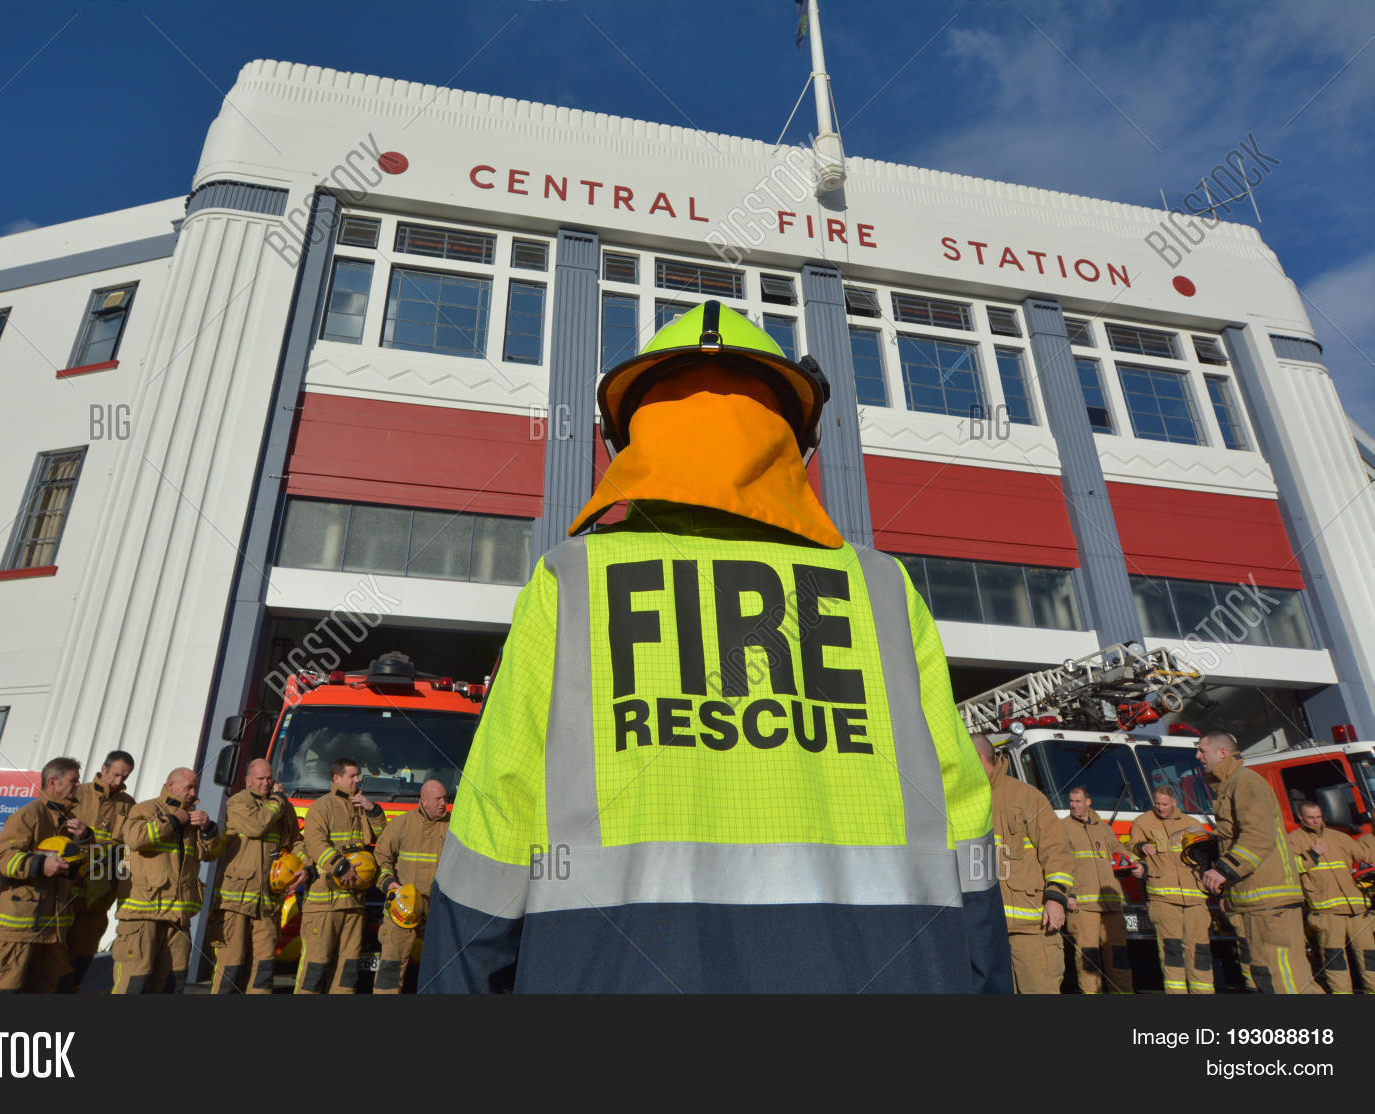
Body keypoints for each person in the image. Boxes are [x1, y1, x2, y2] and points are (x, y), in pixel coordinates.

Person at [420, 300, 1007, 993]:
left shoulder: (571, 583)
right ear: (794, 444)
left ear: (629, 444)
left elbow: (496, 826)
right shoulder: (882, 590)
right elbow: (964, 818)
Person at [1197, 732, 1318, 994]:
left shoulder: (1246, 782)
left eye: (1202, 750)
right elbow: (1238, 836)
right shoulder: (1231, 785)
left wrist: (1223, 870)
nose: (1198, 756)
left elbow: (1258, 835)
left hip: (1269, 901)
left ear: (1222, 753)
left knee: (1284, 979)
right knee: (1277, 977)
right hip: (1257, 902)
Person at [0, 757, 92, 994]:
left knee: (55, 988)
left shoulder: (69, 821)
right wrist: (40, 864)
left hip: (52, 933)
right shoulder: (28, 815)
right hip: (16, 931)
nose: (78, 785)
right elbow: (1, 858)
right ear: (53, 782)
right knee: (3, 990)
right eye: (74, 780)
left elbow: (80, 867)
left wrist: (85, 839)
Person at [972, 733, 1071, 993]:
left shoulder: (1026, 797)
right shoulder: (965, 801)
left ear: (978, 758)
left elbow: (1056, 849)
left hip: (1032, 930)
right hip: (986, 932)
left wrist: (1056, 897)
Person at [112, 767, 224, 993]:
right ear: (170, 785)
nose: (193, 793)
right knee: (134, 982)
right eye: (188, 787)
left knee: (173, 982)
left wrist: (208, 829)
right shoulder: (145, 809)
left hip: (178, 919)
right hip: (142, 916)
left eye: (195, 788)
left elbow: (211, 854)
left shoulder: (193, 817)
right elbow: (135, 838)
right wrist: (172, 821)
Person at [209, 759, 308, 993]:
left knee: (263, 968)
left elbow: (295, 842)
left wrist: (303, 865)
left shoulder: (282, 806)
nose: (266, 783)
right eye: (260, 779)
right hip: (235, 903)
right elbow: (256, 826)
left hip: (268, 903)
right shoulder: (238, 802)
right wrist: (279, 800)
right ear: (248, 781)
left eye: (269, 778)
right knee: (231, 965)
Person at [296, 757, 384, 994]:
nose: (357, 780)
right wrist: (341, 867)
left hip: (353, 904)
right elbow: (315, 844)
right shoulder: (321, 807)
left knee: (347, 972)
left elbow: (382, 837)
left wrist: (372, 810)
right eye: (352, 776)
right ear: (336, 778)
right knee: (314, 970)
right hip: (323, 903)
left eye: (358, 776)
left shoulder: (361, 807)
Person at [1129, 785, 1213, 993]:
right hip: (1163, 898)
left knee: (1201, 951)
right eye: (1157, 803)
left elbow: (1205, 856)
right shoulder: (1142, 822)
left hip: (1195, 899)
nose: (1160, 808)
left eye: (1164, 804)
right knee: (1172, 951)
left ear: (1175, 803)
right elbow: (1129, 848)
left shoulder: (1192, 824)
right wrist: (1140, 848)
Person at [370, 779, 449, 994]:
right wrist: (388, 883)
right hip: (401, 908)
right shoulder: (402, 824)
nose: (443, 803)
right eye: (438, 799)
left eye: (445, 798)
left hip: (437, 911)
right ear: (424, 800)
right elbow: (381, 857)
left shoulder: (453, 827)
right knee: (391, 966)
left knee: (441, 969)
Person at [1060, 786, 1141, 993]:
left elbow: (1118, 849)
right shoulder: (1063, 828)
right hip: (1084, 904)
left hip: (1111, 904)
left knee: (1119, 955)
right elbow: (1061, 863)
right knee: (1089, 958)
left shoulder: (1103, 828)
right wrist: (1068, 894)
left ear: (1088, 802)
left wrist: (1136, 863)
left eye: (1078, 801)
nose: (1073, 805)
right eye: (1071, 802)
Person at [1287, 801, 1374, 994]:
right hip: (1326, 912)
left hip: (1356, 909)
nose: (1316, 821)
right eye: (1311, 817)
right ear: (1300, 817)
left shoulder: (1339, 837)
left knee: (1369, 956)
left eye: (1319, 817)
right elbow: (1289, 869)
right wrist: (1313, 854)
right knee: (1335, 960)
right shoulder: (1293, 840)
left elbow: (1365, 857)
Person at [65, 750, 135, 989]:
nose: (119, 781)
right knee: (55, 959)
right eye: (115, 774)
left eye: (124, 777)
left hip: (99, 897)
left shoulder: (129, 806)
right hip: (69, 892)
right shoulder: (78, 795)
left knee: (82, 958)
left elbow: (129, 851)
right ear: (104, 769)